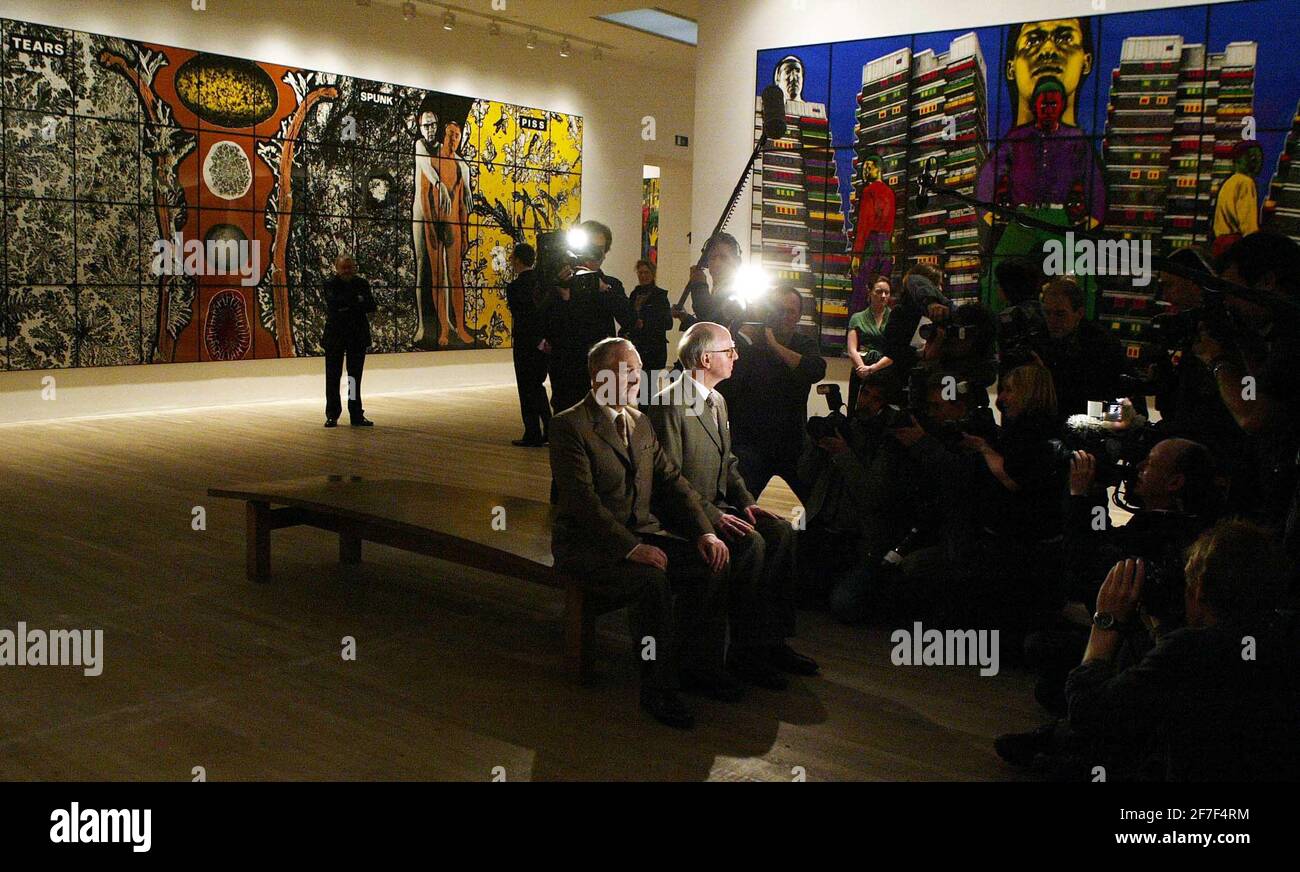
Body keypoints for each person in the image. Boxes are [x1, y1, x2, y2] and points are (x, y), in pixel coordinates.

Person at [549, 337, 737, 729]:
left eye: (637, 370)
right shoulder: (570, 426)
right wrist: (631, 548)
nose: (638, 378)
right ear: (599, 376)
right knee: (652, 582)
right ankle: (658, 690)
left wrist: (705, 532)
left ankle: (696, 667)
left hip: (639, 534)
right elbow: (583, 503)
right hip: (590, 545)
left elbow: (673, 482)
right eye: (627, 371)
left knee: (710, 563)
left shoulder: (640, 421)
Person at [647, 322, 819, 690]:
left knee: (781, 532)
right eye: (729, 350)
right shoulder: (670, 404)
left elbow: (729, 464)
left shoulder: (717, 400)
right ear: (705, 359)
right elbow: (669, 480)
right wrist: (713, 518)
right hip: (685, 516)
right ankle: (725, 657)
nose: (737, 355)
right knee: (750, 544)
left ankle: (769, 643)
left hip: (718, 506)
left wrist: (747, 503)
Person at [1065, 520, 1300, 781]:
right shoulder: (1284, 635)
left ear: (1198, 590)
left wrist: (1105, 623)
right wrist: (1160, 630)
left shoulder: (1191, 650)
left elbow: (1088, 713)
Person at [717, 284, 827, 503]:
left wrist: (774, 345)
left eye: (790, 311)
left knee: (812, 503)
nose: (784, 316)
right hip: (750, 443)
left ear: (799, 316)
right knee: (742, 503)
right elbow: (728, 387)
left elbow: (816, 370)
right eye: (779, 309)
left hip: (790, 442)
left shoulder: (804, 344)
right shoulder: (749, 345)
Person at [543, 220, 633, 416]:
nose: (592, 255)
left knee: (605, 419)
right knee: (566, 419)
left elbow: (629, 319)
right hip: (568, 367)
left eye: (598, 250)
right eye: (589, 248)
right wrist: (563, 296)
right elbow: (547, 325)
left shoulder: (610, 285)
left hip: (602, 367)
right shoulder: (560, 283)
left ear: (605, 253)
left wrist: (604, 289)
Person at [1037, 276, 1132, 423]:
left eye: (1060, 314)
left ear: (1079, 313)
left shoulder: (1102, 344)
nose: (1052, 320)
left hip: (1091, 421)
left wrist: (1103, 425)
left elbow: (1120, 398)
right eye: (1047, 313)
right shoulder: (1039, 338)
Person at [322, 254, 376, 428]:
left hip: (356, 336)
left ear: (354, 268)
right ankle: (332, 414)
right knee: (333, 377)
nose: (347, 271)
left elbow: (371, 305)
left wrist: (347, 304)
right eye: (343, 268)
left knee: (354, 378)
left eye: (349, 267)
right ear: (336, 268)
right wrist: (357, 301)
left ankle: (355, 413)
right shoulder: (330, 284)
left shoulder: (362, 283)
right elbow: (334, 304)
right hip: (335, 336)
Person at [505, 242, 550, 446]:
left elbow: (521, 317)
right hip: (543, 343)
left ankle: (532, 432)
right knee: (537, 386)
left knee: (526, 388)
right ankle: (549, 428)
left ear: (518, 260)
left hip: (525, 343)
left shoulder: (515, 287)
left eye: (512, 257)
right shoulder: (543, 284)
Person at [849, 155, 896, 314]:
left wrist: (857, 255)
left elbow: (865, 223)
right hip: (886, 245)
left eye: (869, 167)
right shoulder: (890, 193)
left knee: (861, 290)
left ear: (879, 169)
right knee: (882, 291)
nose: (865, 171)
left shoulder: (869, 191)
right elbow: (891, 224)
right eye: (864, 168)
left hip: (871, 244)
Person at [672, 231, 743, 330]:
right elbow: (708, 328)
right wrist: (685, 317)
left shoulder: (738, 293)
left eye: (724, 258)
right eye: (712, 258)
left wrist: (699, 286)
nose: (717, 263)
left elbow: (710, 324)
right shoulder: (719, 291)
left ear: (737, 262)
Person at [846, 276, 892, 416]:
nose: (883, 296)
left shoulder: (895, 318)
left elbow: (895, 350)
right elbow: (852, 349)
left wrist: (873, 368)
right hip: (861, 369)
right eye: (879, 291)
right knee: (856, 411)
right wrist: (863, 369)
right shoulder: (857, 318)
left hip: (886, 370)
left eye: (886, 292)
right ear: (870, 292)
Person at [1211, 140, 1263, 258]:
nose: (1257, 162)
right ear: (1238, 160)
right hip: (1235, 246)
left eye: (1259, 157)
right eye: (1252, 157)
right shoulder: (1246, 182)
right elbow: (1248, 226)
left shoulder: (1230, 181)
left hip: (1221, 244)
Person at [623, 259, 672, 376]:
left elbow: (668, 323)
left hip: (653, 349)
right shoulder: (634, 294)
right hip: (636, 346)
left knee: (650, 384)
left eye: (646, 272)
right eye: (640, 273)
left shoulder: (660, 296)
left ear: (653, 274)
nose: (643, 276)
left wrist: (645, 323)